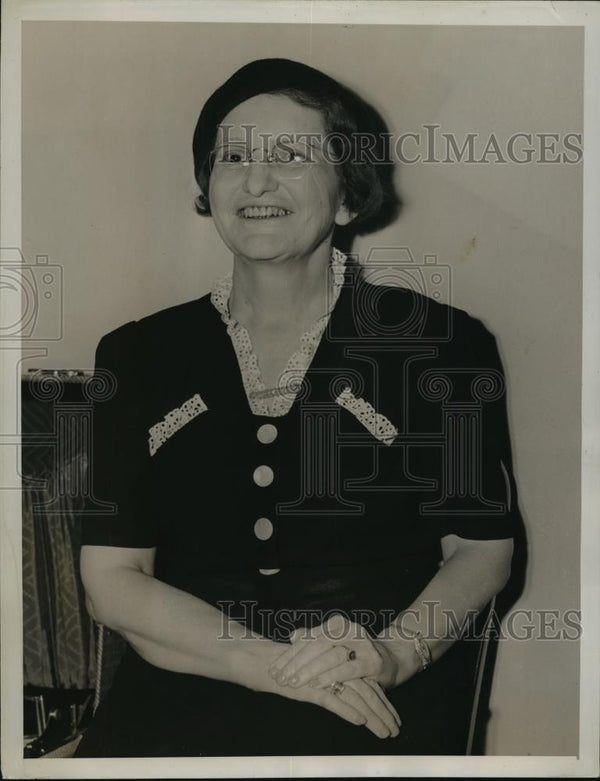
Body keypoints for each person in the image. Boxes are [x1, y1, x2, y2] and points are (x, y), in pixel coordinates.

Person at [75, 58, 519, 757]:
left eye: (290, 156)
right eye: (234, 157)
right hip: (190, 680)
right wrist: (264, 665)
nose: (256, 180)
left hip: (369, 686)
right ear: (208, 185)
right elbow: (111, 580)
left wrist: (396, 654)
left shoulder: (443, 345)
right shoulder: (135, 356)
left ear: (347, 194)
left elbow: (482, 549)